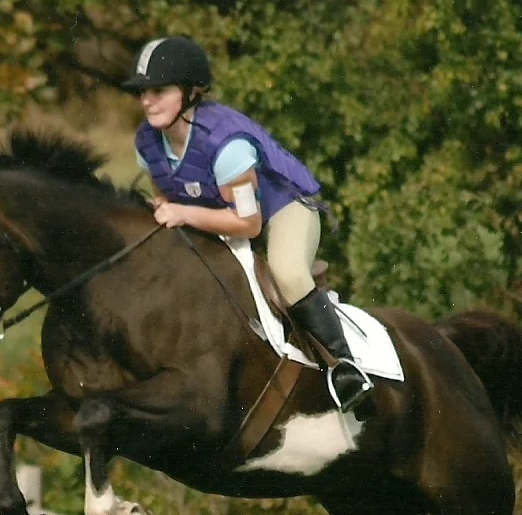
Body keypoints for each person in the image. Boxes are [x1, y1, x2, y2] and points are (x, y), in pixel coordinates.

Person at [122, 35, 374, 419]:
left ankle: (346, 368)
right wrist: (168, 208)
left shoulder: (227, 145)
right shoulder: (147, 143)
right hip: (217, 213)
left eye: (159, 90)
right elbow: (167, 195)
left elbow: (248, 223)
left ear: (190, 92)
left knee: (288, 274)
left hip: (281, 210)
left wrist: (182, 214)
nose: (147, 101)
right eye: (143, 92)